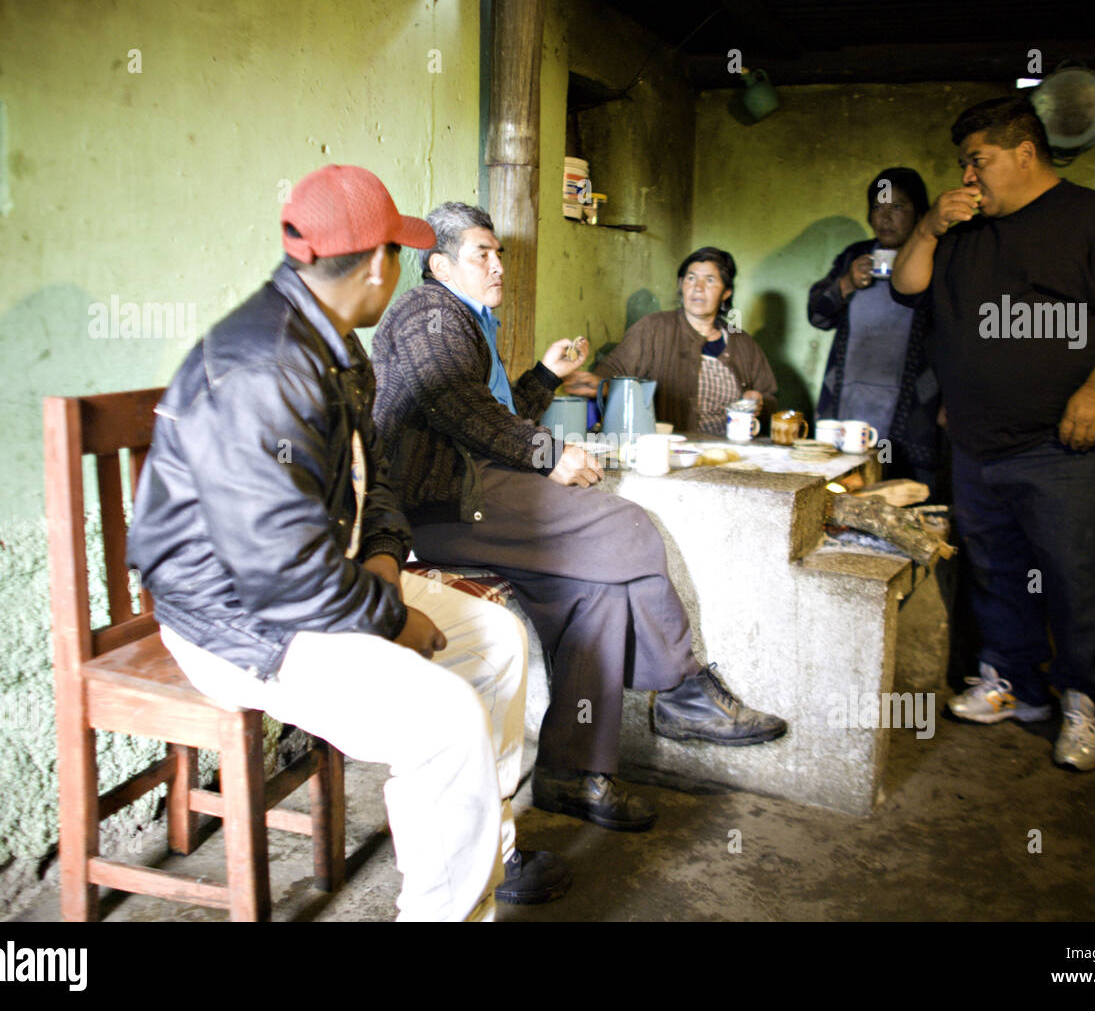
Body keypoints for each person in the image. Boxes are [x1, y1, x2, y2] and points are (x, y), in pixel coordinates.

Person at [127, 166, 570, 921]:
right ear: (374, 266)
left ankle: (485, 854)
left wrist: (386, 561)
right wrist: (392, 618)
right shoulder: (263, 365)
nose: (397, 276)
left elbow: (380, 476)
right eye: (398, 256)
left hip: (319, 584)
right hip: (233, 624)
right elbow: (277, 576)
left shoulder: (334, 342)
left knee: (496, 642)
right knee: (444, 717)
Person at [371, 202, 787, 832]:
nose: (498, 264)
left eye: (499, 252)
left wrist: (544, 375)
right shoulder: (429, 312)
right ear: (440, 264)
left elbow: (487, 416)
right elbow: (462, 412)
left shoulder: (467, 320)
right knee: (628, 527)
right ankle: (681, 688)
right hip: (437, 508)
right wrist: (547, 452)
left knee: (598, 592)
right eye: (483, 252)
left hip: (471, 493)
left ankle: (573, 774)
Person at [891, 97, 1095, 770]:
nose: (967, 176)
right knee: (995, 570)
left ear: (1024, 153)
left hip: (1062, 442)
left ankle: (1089, 700)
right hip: (974, 438)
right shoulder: (961, 228)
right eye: (963, 163)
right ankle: (1012, 683)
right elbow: (908, 288)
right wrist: (931, 226)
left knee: (1072, 574)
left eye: (978, 160)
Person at [808, 167, 940, 488]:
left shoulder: (937, 256)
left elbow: (955, 329)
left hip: (913, 409)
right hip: (848, 403)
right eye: (878, 207)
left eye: (898, 207)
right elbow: (818, 316)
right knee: (843, 489)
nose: (885, 218)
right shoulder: (854, 256)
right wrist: (846, 283)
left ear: (920, 213)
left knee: (903, 493)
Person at [565, 247, 778, 435]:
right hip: (670, 446)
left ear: (726, 292)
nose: (698, 287)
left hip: (729, 450)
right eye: (691, 278)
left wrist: (759, 400)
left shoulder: (741, 342)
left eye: (710, 280)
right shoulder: (654, 328)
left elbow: (769, 398)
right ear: (681, 284)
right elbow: (613, 369)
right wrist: (597, 384)